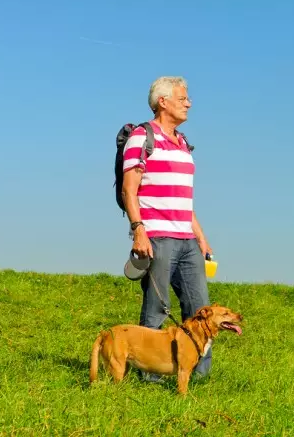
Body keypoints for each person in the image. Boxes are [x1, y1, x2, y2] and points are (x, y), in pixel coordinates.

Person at [121, 76, 213, 382]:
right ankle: (150, 376)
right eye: (183, 98)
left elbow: (184, 198)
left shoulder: (184, 142)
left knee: (200, 309)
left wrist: (200, 236)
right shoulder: (142, 136)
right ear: (163, 101)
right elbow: (129, 190)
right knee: (157, 308)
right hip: (157, 236)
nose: (189, 103)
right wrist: (138, 230)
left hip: (187, 239)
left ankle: (199, 375)